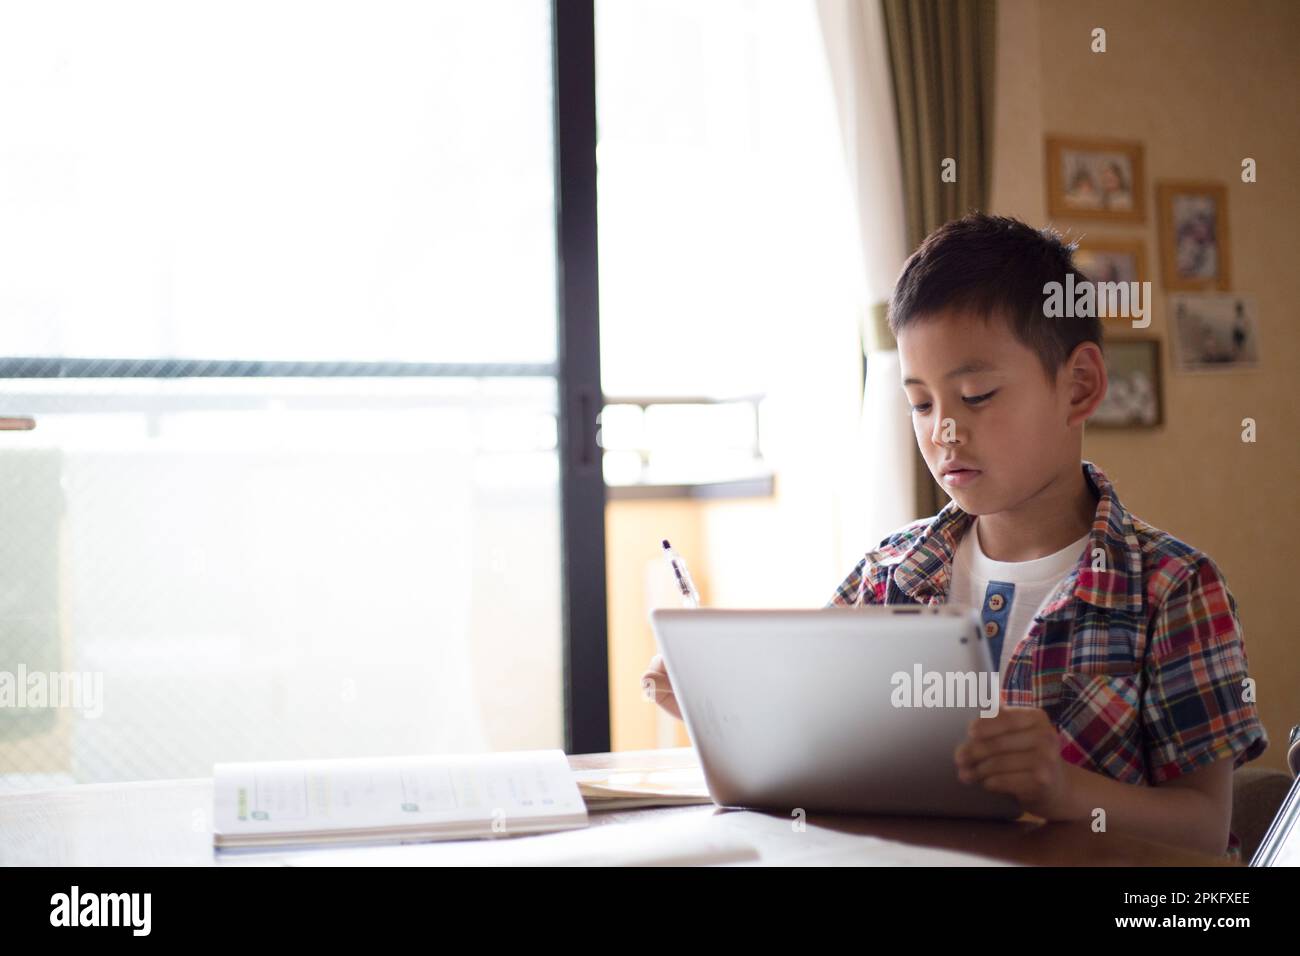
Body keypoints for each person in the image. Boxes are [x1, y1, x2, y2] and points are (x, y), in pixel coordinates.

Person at [643, 213, 1267, 859]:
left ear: (1079, 387)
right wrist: (723, 713)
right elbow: (818, 754)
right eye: (920, 403)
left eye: (976, 395)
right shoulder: (889, 572)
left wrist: (1063, 790)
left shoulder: (1173, 589)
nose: (943, 431)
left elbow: (1204, 828)